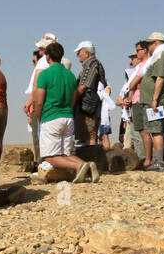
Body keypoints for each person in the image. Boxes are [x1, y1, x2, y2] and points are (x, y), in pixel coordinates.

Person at [32, 42, 99, 183]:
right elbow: (73, 98)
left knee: (50, 156)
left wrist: (40, 118)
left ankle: (79, 165)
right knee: (64, 153)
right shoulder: (70, 75)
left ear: (47, 56)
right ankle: (86, 166)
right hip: (68, 116)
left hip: (51, 116)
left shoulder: (44, 75)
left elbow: (38, 101)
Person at [138, 31, 164, 171]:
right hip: (156, 99)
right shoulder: (163, 55)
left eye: (149, 44)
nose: (148, 47)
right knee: (156, 130)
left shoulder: (162, 55)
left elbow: (160, 78)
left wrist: (154, 99)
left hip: (156, 101)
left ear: (156, 42)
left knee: (156, 131)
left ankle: (159, 162)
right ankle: (160, 160)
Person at [23, 35, 56, 163]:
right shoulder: (54, 62)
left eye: (42, 46)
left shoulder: (43, 63)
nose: (40, 49)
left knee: (41, 134)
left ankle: (42, 163)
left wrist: (29, 102)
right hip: (50, 101)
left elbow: (37, 85)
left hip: (41, 102)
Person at [72, 41, 106, 149]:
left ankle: (92, 160)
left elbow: (83, 87)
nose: (77, 55)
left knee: (89, 135)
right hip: (87, 107)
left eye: (79, 52)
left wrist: (71, 101)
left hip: (87, 108)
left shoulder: (91, 65)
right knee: (85, 135)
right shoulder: (92, 64)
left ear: (86, 53)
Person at [98, 81, 115, 149]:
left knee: (104, 135)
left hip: (103, 116)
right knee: (101, 136)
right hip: (100, 115)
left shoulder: (103, 82)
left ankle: (107, 153)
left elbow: (108, 90)